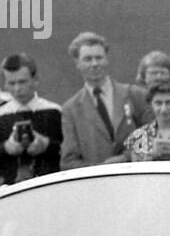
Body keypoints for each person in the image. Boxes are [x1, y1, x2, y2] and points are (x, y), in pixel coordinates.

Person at [60, 31, 149, 169]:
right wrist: (102, 169)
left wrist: (125, 158)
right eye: (88, 59)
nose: (95, 64)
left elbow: (152, 138)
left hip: (135, 178)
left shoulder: (136, 95)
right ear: (77, 63)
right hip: (96, 185)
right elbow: (68, 161)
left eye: (99, 57)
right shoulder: (71, 110)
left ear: (106, 59)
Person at [0, 53, 62, 187]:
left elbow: (72, 152)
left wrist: (47, 145)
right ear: (5, 85)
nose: (17, 89)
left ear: (35, 79)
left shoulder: (54, 112)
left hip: (51, 187)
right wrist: (3, 148)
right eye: (11, 83)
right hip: (10, 190)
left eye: (22, 82)